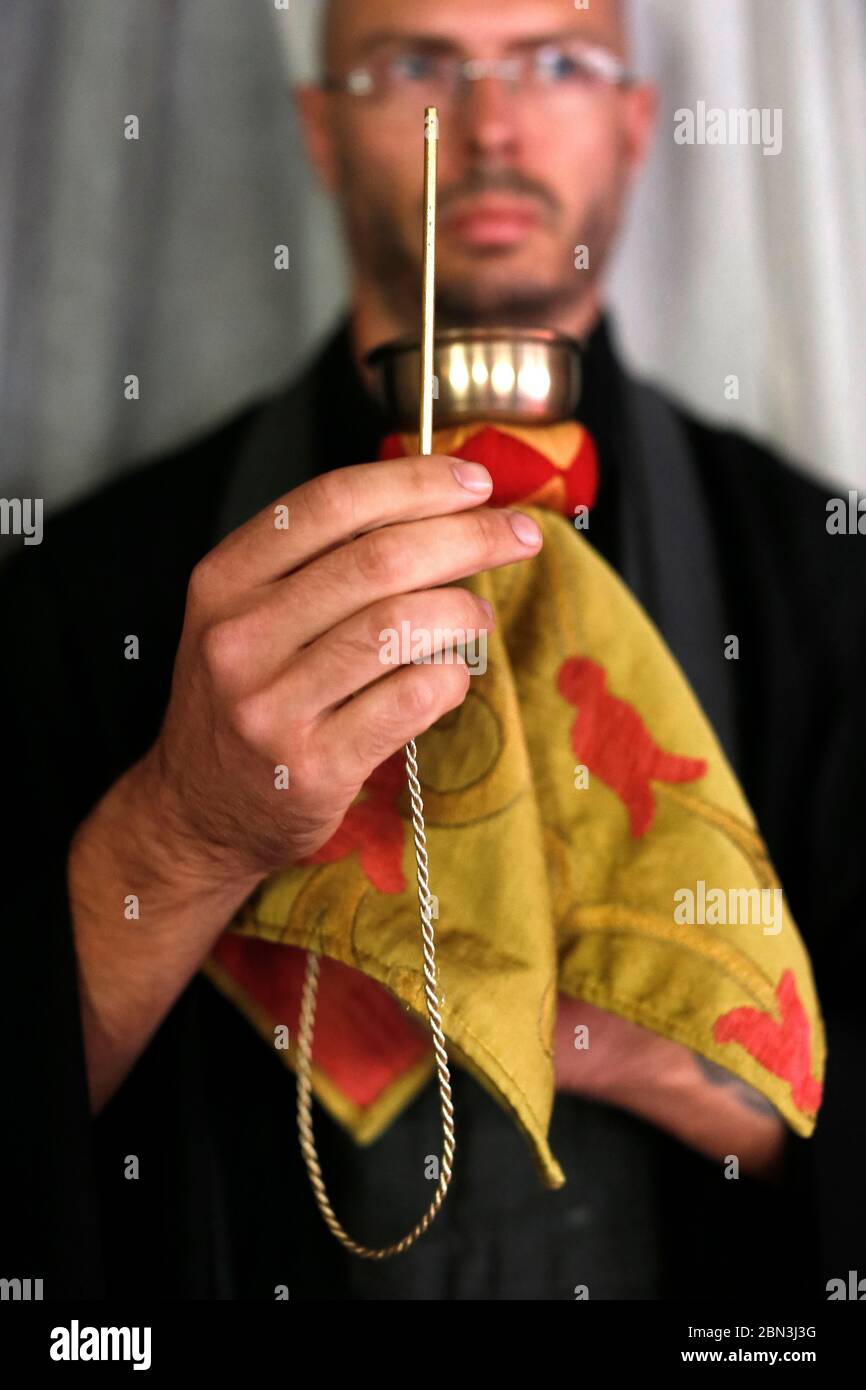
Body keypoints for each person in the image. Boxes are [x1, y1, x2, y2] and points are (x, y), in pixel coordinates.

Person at [1, 0, 863, 1301]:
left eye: (556, 61)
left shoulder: (828, 575)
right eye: (415, 64)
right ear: (320, 129)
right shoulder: (85, 589)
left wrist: (676, 1053)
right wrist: (184, 833)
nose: (488, 124)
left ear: (636, 125)